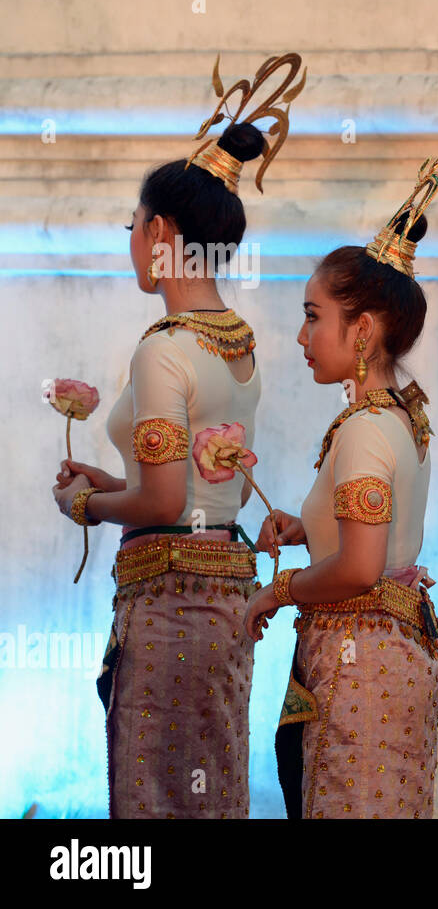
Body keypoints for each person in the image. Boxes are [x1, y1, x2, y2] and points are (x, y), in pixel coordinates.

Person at [50, 53, 305, 817]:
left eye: (133, 225)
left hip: (167, 597)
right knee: (211, 787)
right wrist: (106, 478)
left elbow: (164, 495)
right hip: (224, 591)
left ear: (160, 230)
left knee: (155, 795)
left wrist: (86, 508)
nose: (131, 237)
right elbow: (194, 487)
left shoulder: (162, 347)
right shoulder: (238, 343)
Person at [244, 130, 438, 819]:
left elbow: (362, 568)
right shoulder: (394, 418)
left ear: (364, 330)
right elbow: (371, 541)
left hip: (360, 666)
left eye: (314, 317)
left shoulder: (371, 427)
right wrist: (302, 523)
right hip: (373, 659)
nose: (301, 335)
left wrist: (276, 590)